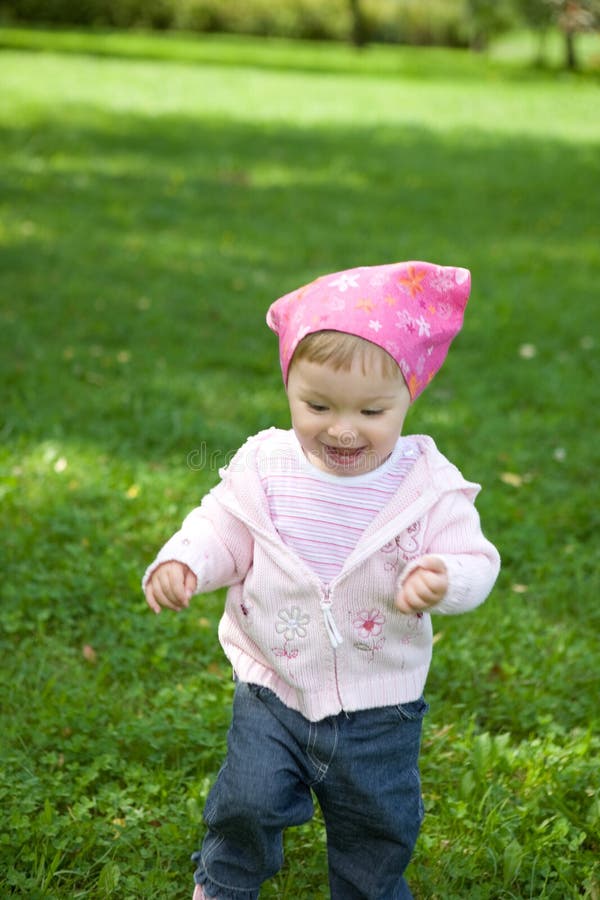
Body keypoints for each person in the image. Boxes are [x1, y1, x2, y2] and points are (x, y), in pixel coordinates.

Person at [143, 260, 501, 900]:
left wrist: (443, 577)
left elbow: (478, 561)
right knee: (245, 804)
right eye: (316, 405)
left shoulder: (425, 486)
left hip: (380, 704)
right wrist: (186, 561)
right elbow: (224, 526)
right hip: (272, 685)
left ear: (408, 396)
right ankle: (223, 884)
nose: (341, 428)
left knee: (378, 828)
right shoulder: (268, 465)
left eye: (370, 410)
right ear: (289, 388)